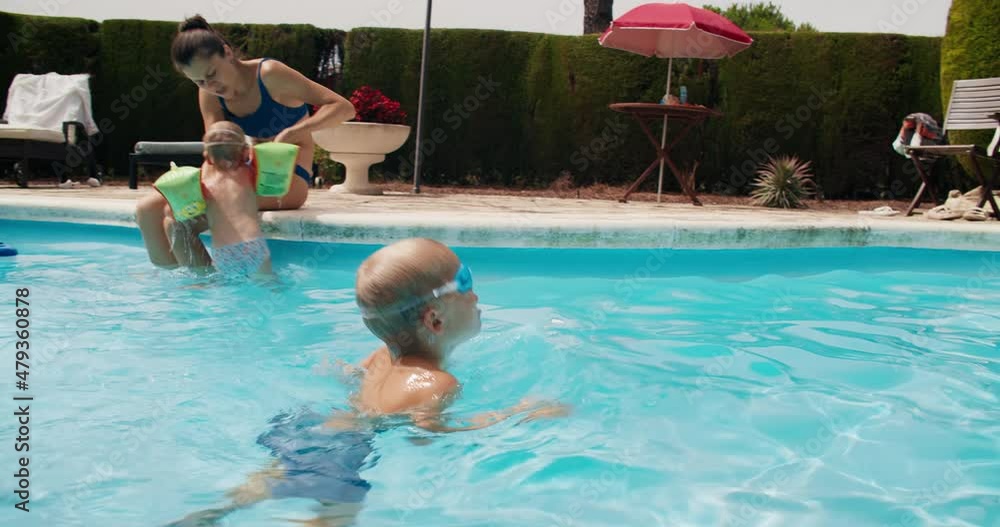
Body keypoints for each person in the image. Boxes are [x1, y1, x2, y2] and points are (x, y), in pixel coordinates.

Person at [162, 238, 569, 526]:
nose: (476, 295)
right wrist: (516, 414)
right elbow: (429, 435)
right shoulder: (437, 383)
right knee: (336, 517)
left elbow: (354, 375)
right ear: (434, 319)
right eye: (465, 283)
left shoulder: (380, 356)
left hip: (308, 423)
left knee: (270, 478)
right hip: (347, 446)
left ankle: (214, 513)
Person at [136, 14, 356, 270]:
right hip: (241, 173)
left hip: (284, 180)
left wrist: (294, 132)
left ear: (227, 53)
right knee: (149, 209)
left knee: (180, 219)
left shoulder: (270, 75)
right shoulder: (209, 94)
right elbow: (216, 152)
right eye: (199, 81)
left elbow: (343, 107)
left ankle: (221, 281)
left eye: (212, 74)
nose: (210, 85)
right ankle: (181, 280)